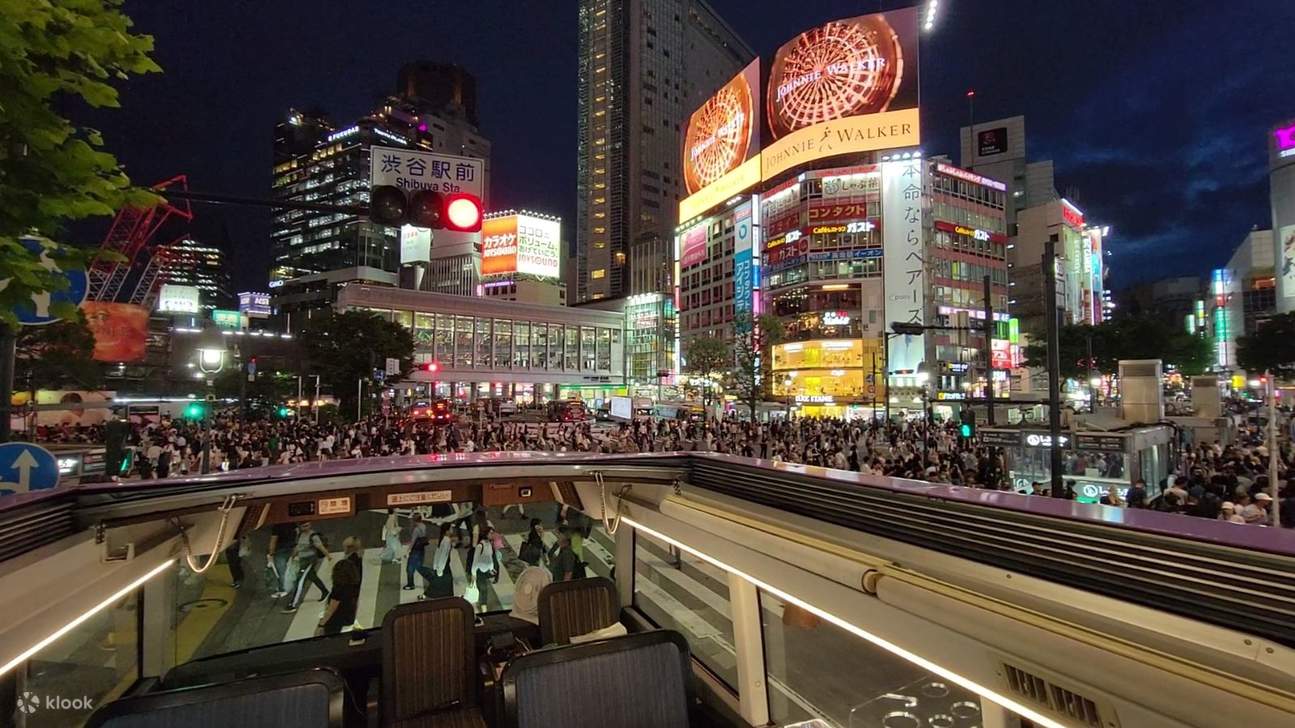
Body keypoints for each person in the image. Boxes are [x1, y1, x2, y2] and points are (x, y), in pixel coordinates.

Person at [319, 537, 363, 635]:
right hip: (349, 614)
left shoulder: (339, 587)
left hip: (338, 620)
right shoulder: (357, 561)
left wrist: (321, 624)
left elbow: (332, 608)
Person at [284, 522, 331, 613]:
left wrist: (328, 555)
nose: (306, 527)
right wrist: (292, 556)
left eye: (308, 525)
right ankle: (325, 591)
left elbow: (320, 546)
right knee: (312, 576)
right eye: (303, 526)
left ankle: (292, 604)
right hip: (302, 559)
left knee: (300, 580)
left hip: (310, 559)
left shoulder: (313, 536)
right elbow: (298, 547)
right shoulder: (300, 534)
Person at [468, 527, 498, 613]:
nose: (492, 535)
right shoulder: (480, 546)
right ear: (486, 534)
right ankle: (482, 606)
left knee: (481, 588)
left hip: (486, 571)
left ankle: (478, 605)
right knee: (483, 588)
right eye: (491, 533)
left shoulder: (489, 544)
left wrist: (492, 569)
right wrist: (473, 574)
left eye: (493, 533)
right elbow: (475, 561)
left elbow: (490, 558)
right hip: (479, 571)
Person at [266, 521, 296, 599]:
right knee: (290, 569)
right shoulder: (292, 523)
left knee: (281, 571)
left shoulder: (277, 526)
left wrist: (271, 553)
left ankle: (283, 589)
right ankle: (291, 586)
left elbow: (273, 540)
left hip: (280, 550)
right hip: (292, 549)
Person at [404, 514, 428, 591]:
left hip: (415, 550)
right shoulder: (424, 526)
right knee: (420, 567)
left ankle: (410, 584)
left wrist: (408, 551)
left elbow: (413, 541)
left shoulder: (416, 530)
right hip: (421, 549)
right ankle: (432, 579)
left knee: (410, 568)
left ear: (415, 520)